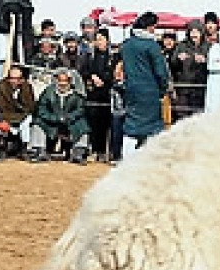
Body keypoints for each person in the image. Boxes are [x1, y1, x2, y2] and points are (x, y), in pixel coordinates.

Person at [120, 12, 171, 150]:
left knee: (131, 125)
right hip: (150, 91)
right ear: (149, 27)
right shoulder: (152, 46)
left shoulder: (126, 45)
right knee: (153, 127)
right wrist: (163, 89)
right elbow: (161, 72)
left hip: (131, 89)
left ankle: (126, 157)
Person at [32, 70, 91, 164]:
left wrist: (68, 118)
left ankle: (78, 153)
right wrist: (54, 118)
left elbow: (80, 110)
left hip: (70, 122)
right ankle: (40, 151)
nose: (62, 84)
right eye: (60, 80)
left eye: (65, 81)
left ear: (69, 81)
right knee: (38, 124)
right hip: (52, 122)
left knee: (82, 125)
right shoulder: (48, 92)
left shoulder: (77, 94)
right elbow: (42, 109)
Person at [80, 29, 114, 162]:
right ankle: (93, 150)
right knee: (92, 123)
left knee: (106, 124)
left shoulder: (112, 56)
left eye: (101, 39)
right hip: (92, 93)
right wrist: (92, 76)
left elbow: (114, 72)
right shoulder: (89, 56)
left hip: (107, 93)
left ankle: (104, 151)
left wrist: (104, 79)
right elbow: (83, 71)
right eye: (97, 39)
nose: (98, 42)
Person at [170, 20, 210, 120]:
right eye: (192, 32)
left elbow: (214, 64)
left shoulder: (208, 46)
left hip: (201, 87)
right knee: (182, 115)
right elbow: (172, 64)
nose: (194, 35)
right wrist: (179, 59)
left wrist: (205, 61)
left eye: (197, 32)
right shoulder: (181, 45)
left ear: (202, 33)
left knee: (199, 115)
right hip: (184, 87)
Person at [0, 65, 37, 159]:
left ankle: (24, 148)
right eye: (12, 78)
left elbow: (30, 106)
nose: (14, 81)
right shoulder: (1, 86)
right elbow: (1, 106)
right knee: (0, 120)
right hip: (6, 114)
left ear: (21, 79)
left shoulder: (27, 87)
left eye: (17, 79)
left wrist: (18, 98)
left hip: (22, 115)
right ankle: (2, 148)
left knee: (27, 121)